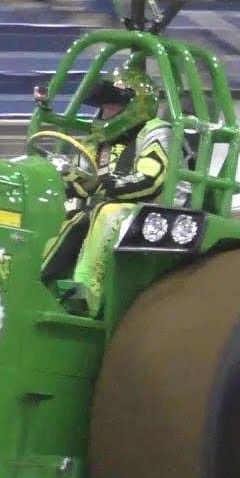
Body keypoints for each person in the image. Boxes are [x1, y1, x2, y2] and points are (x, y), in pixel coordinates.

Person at [39, 66, 194, 318]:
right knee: (71, 216)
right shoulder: (100, 139)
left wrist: (107, 183)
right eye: (103, 108)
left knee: (106, 212)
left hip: (159, 211)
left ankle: (87, 292)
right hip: (114, 207)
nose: (105, 113)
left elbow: (150, 179)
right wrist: (65, 181)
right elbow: (83, 179)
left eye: (112, 107)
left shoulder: (156, 131)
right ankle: (39, 277)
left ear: (134, 106)